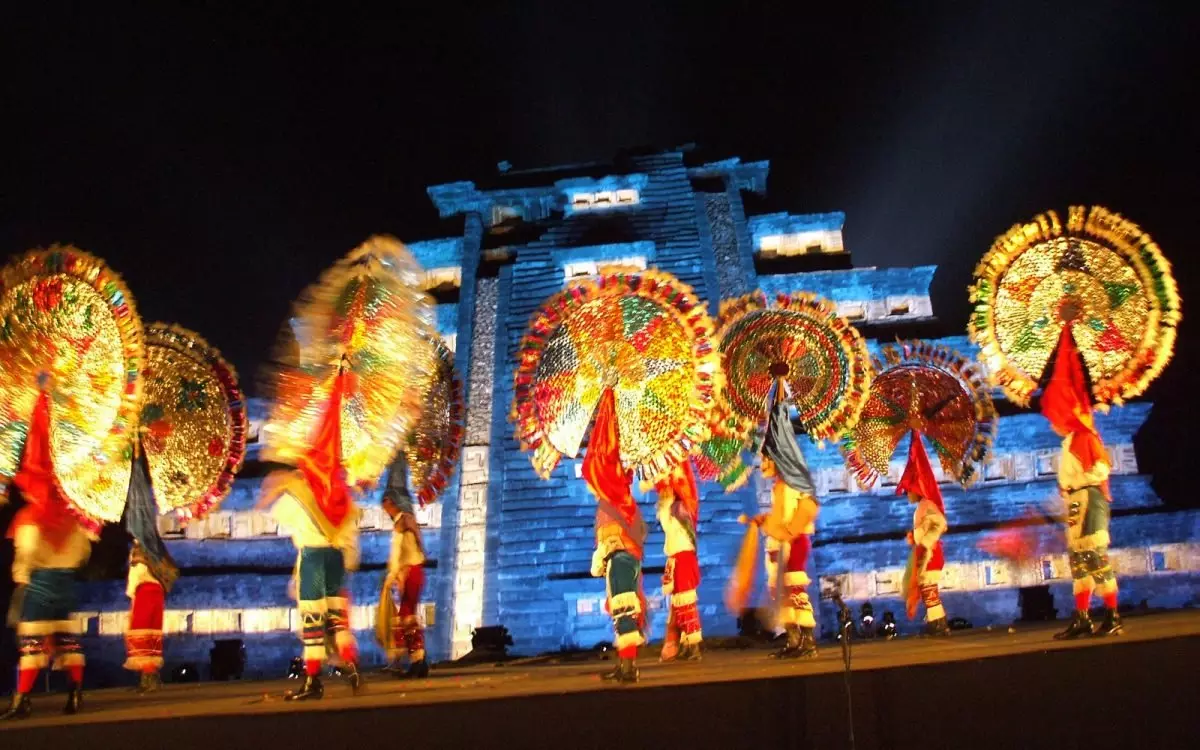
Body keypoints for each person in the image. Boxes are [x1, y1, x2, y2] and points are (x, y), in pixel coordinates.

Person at [261, 366, 363, 701]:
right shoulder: (342, 500)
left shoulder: (300, 494)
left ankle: (313, 681)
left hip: (313, 558)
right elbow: (350, 538)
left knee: (312, 621)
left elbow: (278, 514)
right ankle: (351, 667)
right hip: (334, 558)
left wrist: (277, 485)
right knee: (336, 618)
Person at [2, 390, 93, 720]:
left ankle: (22, 700)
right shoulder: (73, 519)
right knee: (69, 640)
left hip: (39, 585)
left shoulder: (29, 520)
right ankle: (75, 696)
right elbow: (82, 555)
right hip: (65, 584)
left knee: (31, 645)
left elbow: (23, 560)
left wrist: (22, 578)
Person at [1042, 329, 1120, 639]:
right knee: (1078, 562)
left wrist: (1078, 484)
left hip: (1090, 500)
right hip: (1076, 502)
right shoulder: (1069, 441)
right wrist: (1066, 490)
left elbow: (1102, 468)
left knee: (1094, 557)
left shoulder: (1085, 436)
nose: (1052, 421)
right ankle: (1083, 617)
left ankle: (1113, 615)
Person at [586, 389, 648, 684]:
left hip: (621, 558)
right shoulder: (620, 501)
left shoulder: (614, 500)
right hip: (624, 557)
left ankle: (629, 668)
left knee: (624, 611)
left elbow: (598, 464)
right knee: (622, 611)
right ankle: (626, 666)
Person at [754, 385, 820, 658]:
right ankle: (793, 640)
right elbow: (782, 517)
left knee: (794, 591)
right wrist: (766, 523)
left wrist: (785, 532)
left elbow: (806, 509)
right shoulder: (781, 486)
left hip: (793, 543)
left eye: (765, 459)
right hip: (782, 543)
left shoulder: (792, 484)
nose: (762, 465)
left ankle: (808, 642)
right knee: (782, 595)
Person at [122, 452, 180, 693]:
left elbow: (137, 574)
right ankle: (149, 677)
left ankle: (149, 678)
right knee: (148, 633)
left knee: (142, 633)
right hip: (152, 591)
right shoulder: (148, 547)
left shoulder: (144, 548)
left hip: (146, 590)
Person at [381, 452, 429, 678]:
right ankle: (413, 659)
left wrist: (393, 576)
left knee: (407, 617)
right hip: (411, 572)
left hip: (411, 572)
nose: (385, 510)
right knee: (405, 616)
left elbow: (397, 555)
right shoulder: (404, 524)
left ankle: (417, 660)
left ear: (391, 503)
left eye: (386, 505)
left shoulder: (403, 523)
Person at [898, 436, 950, 636]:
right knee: (927, 588)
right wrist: (915, 536)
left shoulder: (926, 505)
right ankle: (936, 622)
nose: (907, 494)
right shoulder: (921, 507)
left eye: (909, 490)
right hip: (926, 552)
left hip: (931, 553)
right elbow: (927, 527)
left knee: (929, 589)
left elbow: (940, 523)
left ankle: (939, 625)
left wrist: (924, 540)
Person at [655, 461, 702, 662]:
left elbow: (685, 494)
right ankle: (685, 643)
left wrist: (673, 481)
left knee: (686, 603)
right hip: (676, 558)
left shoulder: (682, 507)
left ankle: (694, 646)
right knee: (678, 605)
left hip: (683, 558)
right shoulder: (670, 507)